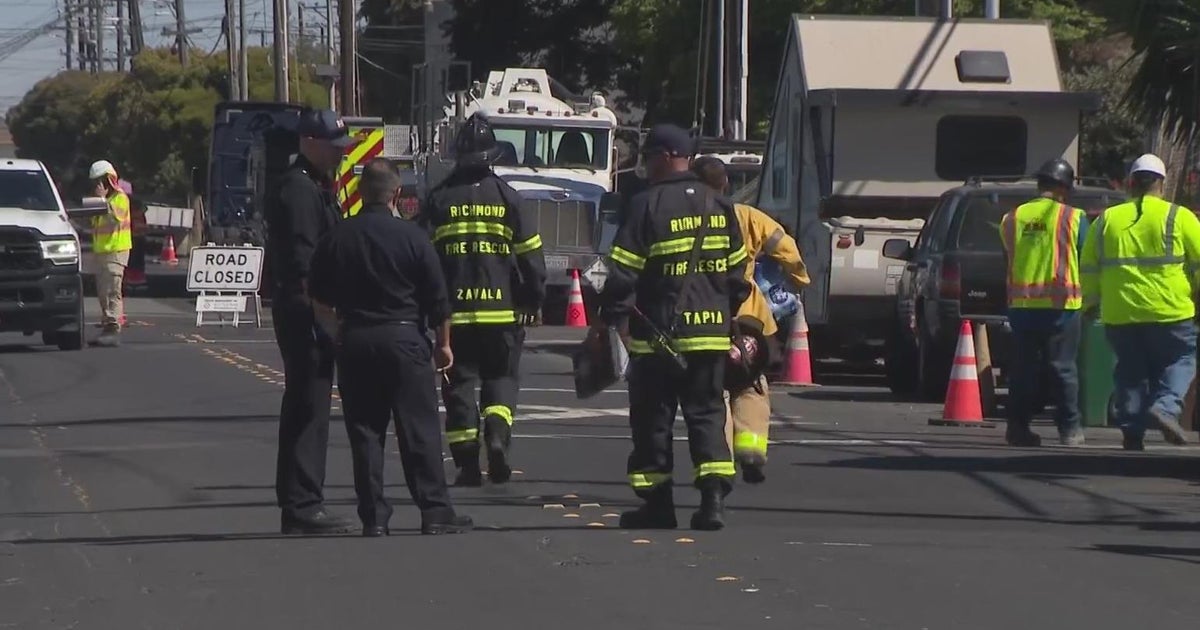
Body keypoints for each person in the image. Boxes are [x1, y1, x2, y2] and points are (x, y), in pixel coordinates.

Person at [594, 124, 752, 531]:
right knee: (708, 415)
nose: (646, 166)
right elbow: (738, 276)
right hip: (710, 337)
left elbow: (623, 273)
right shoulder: (720, 206)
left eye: (649, 158)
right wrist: (722, 314)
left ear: (666, 157)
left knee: (653, 421)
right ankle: (713, 501)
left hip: (659, 338)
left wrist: (611, 320)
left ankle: (658, 504)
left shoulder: (646, 205)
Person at [308, 158, 473, 536]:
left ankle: (374, 516)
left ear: (360, 192)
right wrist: (444, 345)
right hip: (404, 339)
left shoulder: (339, 237)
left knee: (366, 431)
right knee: (419, 429)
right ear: (396, 194)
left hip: (357, 339)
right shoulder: (414, 238)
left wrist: (336, 330)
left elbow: (316, 294)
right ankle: (434, 511)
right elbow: (439, 300)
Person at [421, 114, 547, 486]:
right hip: (501, 313)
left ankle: (467, 465)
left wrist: (426, 308)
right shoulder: (510, 198)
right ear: (492, 156)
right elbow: (531, 259)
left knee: (458, 385)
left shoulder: (439, 198)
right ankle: (496, 435)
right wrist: (532, 301)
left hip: (454, 316)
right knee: (501, 378)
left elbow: (422, 259)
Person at [263, 108, 356, 535]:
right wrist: (325, 316)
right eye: (334, 147)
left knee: (311, 404)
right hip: (305, 310)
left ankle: (302, 500)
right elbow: (305, 260)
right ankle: (302, 505)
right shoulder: (300, 190)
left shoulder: (315, 185)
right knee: (308, 406)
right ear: (310, 143)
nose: (340, 154)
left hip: (312, 306)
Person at [691, 155, 810, 483]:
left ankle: (721, 457)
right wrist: (799, 280)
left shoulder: (684, 219)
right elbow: (785, 246)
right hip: (750, 317)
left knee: (714, 390)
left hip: (701, 313)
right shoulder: (747, 217)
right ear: (725, 184)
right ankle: (751, 449)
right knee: (751, 383)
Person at [1080, 154, 1200, 450]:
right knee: (1181, 359)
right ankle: (1165, 407)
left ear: (1131, 183)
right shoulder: (1179, 216)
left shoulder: (1107, 219)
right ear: (1162, 183)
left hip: (1120, 312)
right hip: (1170, 311)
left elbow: (1089, 267)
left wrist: (1090, 304)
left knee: (1130, 371)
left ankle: (1132, 431)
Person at [998, 158, 1089, 447]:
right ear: (1064, 187)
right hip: (1062, 307)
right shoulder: (1074, 217)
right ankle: (1069, 430)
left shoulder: (1012, 217)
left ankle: (1017, 428)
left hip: (1022, 307)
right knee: (1063, 368)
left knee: (1023, 370)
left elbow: (1008, 255)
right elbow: (1086, 258)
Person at [87, 160, 133, 347]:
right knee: (102, 292)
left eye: (101, 181)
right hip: (102, 252)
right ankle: (107, 325)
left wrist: (102, 200)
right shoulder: (102, 201)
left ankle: (113, 327)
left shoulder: (120, 198)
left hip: (116, 251)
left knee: (113, 291)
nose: (98, 185)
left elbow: (115, 218)